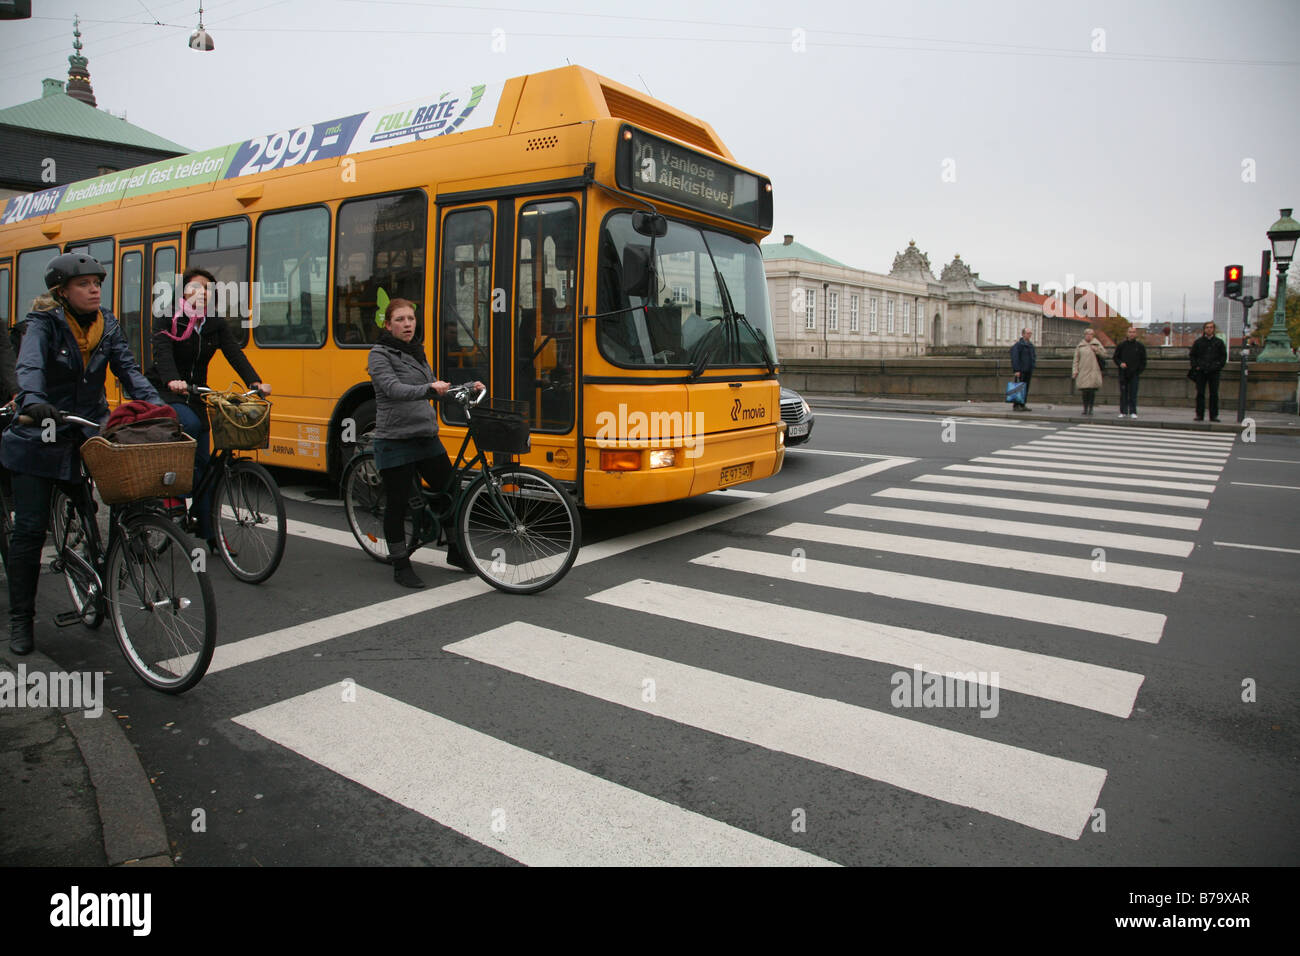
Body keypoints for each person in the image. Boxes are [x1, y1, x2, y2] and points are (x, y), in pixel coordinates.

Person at [1, 253, 163, 655]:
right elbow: (31, 366)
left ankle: (98, 570)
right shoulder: (43, 324)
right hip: (39, 433)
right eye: (84, 284)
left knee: (101, 505)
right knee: (30, 530)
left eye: (97, 283)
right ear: (62, 292)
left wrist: (156, 406)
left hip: (87, 427)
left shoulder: (107, 324)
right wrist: (34, 401)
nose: (94, 290)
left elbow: (129, 370)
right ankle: (22, 619)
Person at [146, 267, 270, 551]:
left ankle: (208, 527)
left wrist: (255, 381)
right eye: (196, 287)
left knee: (206, 461)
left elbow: (233, 352)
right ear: (184, 292)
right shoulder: (167, 318)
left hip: (196, 392)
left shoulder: (214, 323)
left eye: (208, 289)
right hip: (166, 391)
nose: (202, 292)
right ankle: (171, 495)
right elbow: (161, 353)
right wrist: (171, 380)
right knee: (187, 424)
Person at [367, 298, 481, 588]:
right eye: (401, 320)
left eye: (411, 319)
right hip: (395, 438)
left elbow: (434, 391)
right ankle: (400, 564)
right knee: (397, 501)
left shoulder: (417, 352)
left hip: (425, 436)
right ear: (388, 324)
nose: (407, 324)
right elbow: (394, 389)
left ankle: (456, 551)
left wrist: (466, 388)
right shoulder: (380, 354)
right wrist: (428, 387)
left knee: (450, 491)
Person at [1189, 320, 1227, 422]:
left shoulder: (1219, 342)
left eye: (1211, 327)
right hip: (1201, 371)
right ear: (1204, 329)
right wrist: (1196, 366)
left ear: (1214, 329)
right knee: (1200, 393)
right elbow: (1192, 355)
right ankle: (1199, 415)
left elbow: (1223, 356)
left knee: (1214, 394)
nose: (1209, 329)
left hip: (1214, 372)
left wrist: (1218, 366)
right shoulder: (1198, 342)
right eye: (1207, 327)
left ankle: (1213, 415)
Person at [1113, 325, 1148, 418]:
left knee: (1133, 393)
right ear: (1127, 333)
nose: (1131, 334)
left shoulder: (1140, 346)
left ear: (1136, 334)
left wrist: (1138, 371)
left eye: (1133, 332)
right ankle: (1123, 411)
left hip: (1134, 374)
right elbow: (1115, 357)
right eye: (1130, 332)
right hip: (1123, 373)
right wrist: (1120, 364)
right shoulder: (1121, 345)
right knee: (1123, 393)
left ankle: (1133, 411)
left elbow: (1143, 360)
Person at [1071, 327, 1105, 416]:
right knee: (1084, 391)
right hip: (1083, 370)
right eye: (1087, 334)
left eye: (1090, 334)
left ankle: (1091, 408)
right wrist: (1075, 371)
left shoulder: (1097, 344)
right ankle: (1085, 408)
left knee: (1092, 391)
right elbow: (1076, 359)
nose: (1088, 336)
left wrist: (1096, 350)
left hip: (1094, 370)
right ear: (1084, 335)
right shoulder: (1080, 345)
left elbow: (1104, 354)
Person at [1009, 327, 1036, 411]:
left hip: (1028, 370)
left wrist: (1033, 365)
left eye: (1030, 333)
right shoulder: (1018, 345)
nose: (1029, 335)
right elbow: (1015, 358)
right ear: (1023, 334)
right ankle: (1016, 405)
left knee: (1025, 388)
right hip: (1021, 370)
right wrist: (1016, 370)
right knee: (1018, 388)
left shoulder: (1030, 345)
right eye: (1028, 333)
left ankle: (1023, 404)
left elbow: (1033, 356)